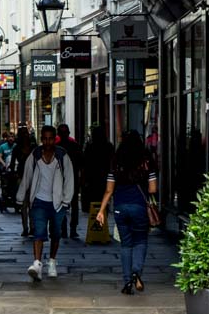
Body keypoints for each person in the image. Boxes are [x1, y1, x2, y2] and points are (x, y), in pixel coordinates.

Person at [96, 131, 155, 294]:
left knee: (126, 244)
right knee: (140, 241)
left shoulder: (116, 161)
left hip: (120, 208)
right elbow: (153, 188)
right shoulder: (146, 160)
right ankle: (136, 271)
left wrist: (101, 211)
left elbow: (109, 190)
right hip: (139, 207)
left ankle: (127, 281)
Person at [19, 125, 75, 281]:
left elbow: (69, 178)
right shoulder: (35, 155)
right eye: (45, 139)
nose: (48, 142)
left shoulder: (62, 155)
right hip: (39, 201)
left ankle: (52, 262)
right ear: (41, 139)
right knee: (38, 232)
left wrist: (66, 200)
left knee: (56, 234)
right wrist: (21, 197)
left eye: (50, 139)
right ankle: (37, 264)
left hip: (58, 203)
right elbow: (27, 176)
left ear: (54, 139)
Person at [56, 123, 83, 239]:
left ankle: (66, 229)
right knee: (73, 204)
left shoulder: (57, 147)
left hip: (65, 178)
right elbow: (82, 164)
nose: (64, 135)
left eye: (64, 132)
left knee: (64, 204)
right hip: (68, 178)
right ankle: (71, 228)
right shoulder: (74, 146)